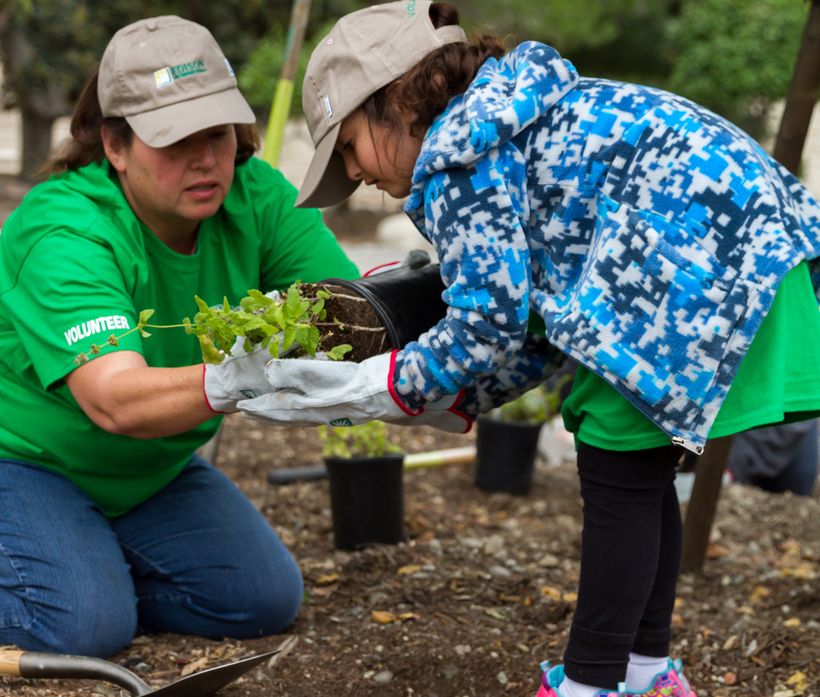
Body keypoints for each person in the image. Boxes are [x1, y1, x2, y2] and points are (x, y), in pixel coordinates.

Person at [233, 2, 820, 696]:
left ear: (392, 101)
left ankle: (591, 682)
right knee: (635, 468)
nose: (354, 174)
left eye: (350, 148)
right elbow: (540, 324)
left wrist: (380, 386)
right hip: (749, 256)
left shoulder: (457, 157)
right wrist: (443, 398)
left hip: (697, 263)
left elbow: (488, 321)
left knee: (615, 460)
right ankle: (642, 670)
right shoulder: (510, 117)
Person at [0, 15, 359, 658]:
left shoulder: (256, 195)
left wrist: (439, 366)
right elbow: (116, 399)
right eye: (176, 140)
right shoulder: (66, 229)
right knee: (84, 627)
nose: (206, 159)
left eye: (219, 134)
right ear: (115, 145)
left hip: (140, 467)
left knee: (257, 599)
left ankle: (66, 566)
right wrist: (255, 373)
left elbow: (347, 311)